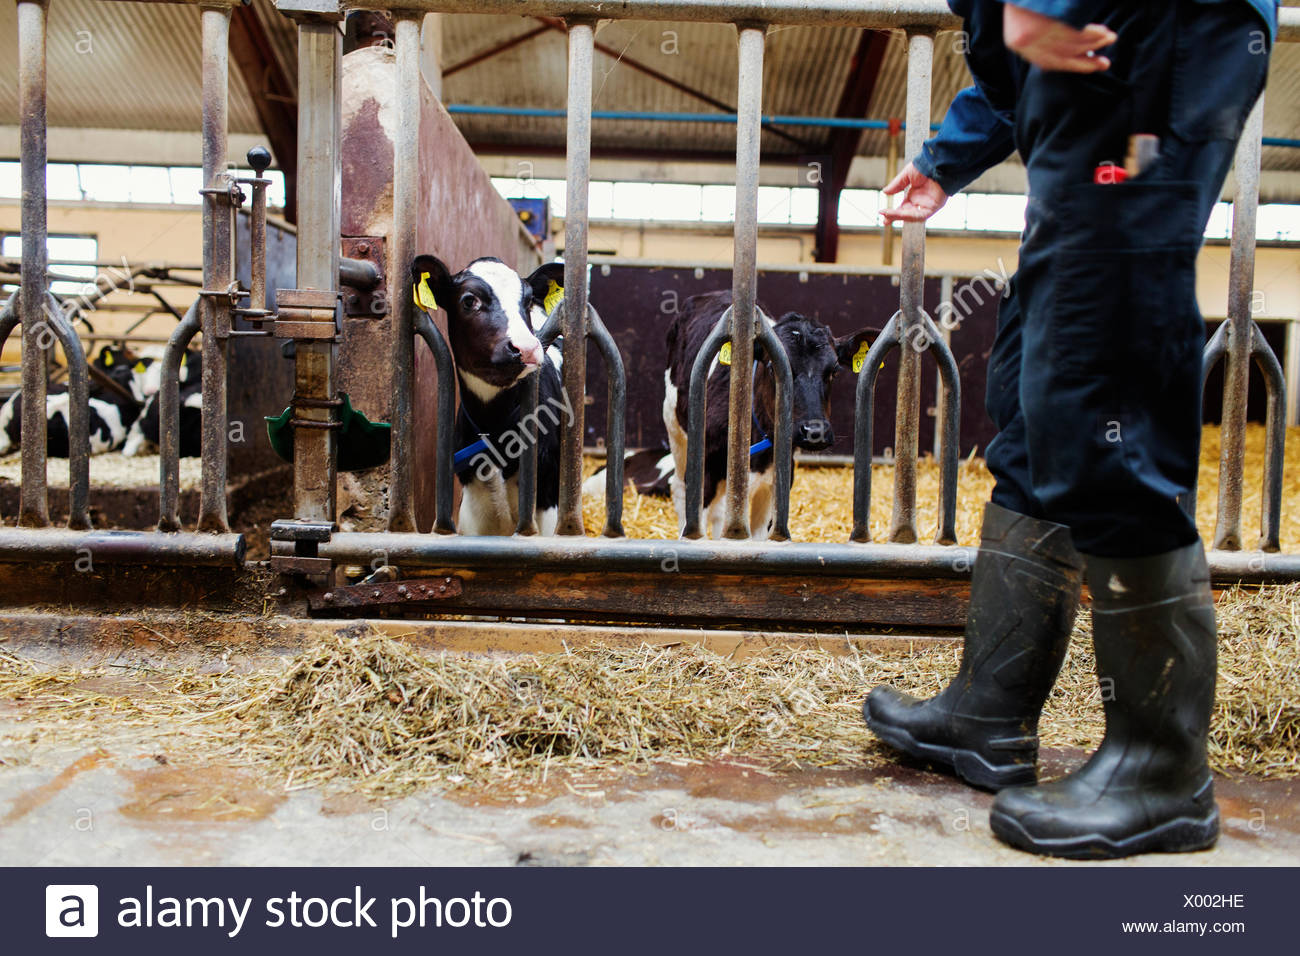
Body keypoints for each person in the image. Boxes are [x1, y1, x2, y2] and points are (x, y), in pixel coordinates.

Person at [863, 0, 1277, 859]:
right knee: (1036, 396)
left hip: (1143, 40)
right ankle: (991, 711)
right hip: (1083, 67)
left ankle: (1160, 771)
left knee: (1102, 372)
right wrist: (948, 158)